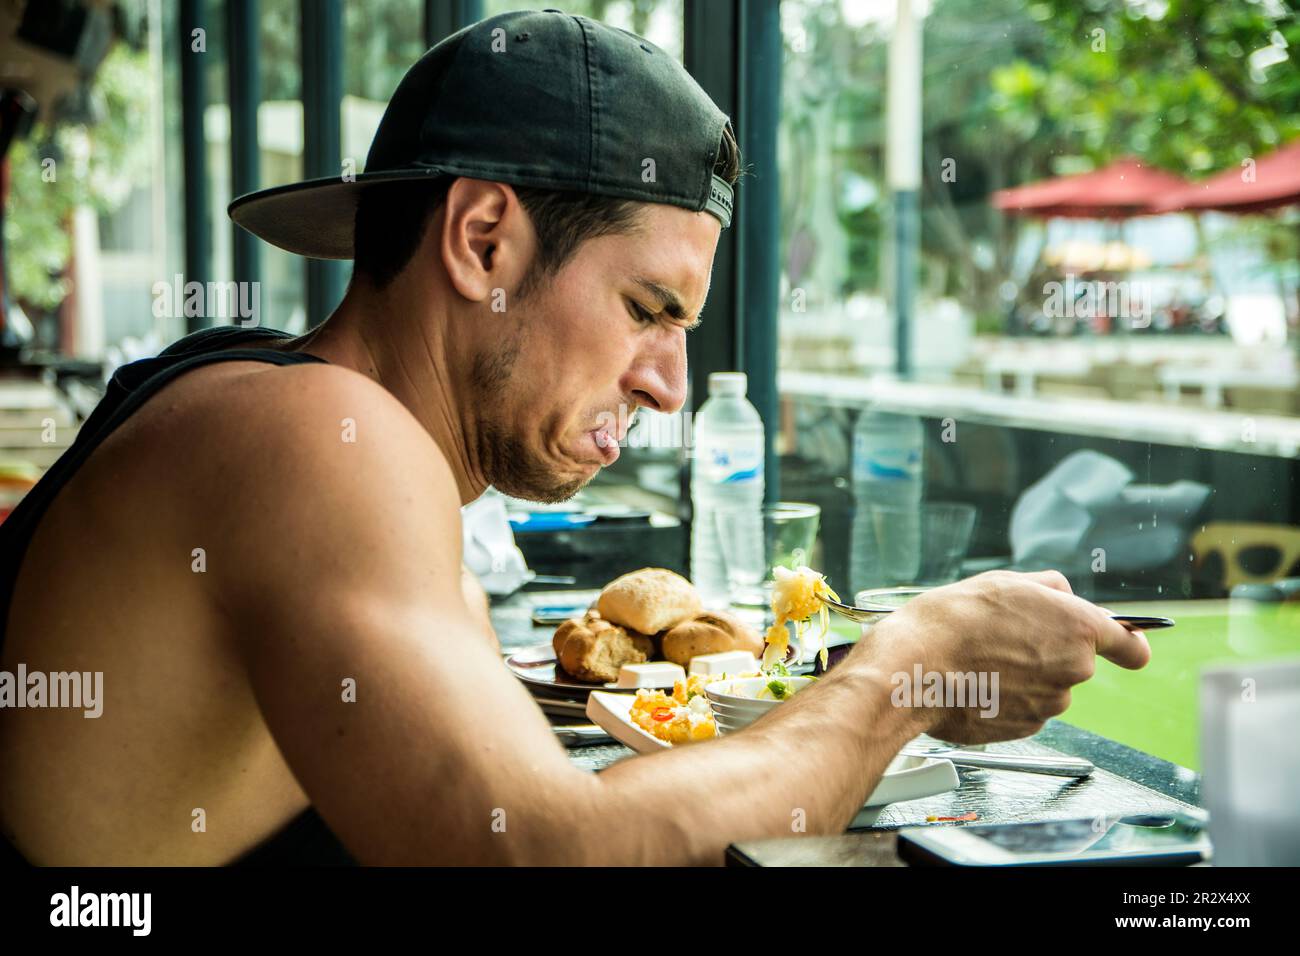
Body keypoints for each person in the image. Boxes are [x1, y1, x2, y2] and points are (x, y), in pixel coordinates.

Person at [0, 10, 1149, 866]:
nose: (666, 386)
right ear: (485, 241)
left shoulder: (282, 407)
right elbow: (540, 851)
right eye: (648, 310)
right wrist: (906, 667)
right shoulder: (316, 437)